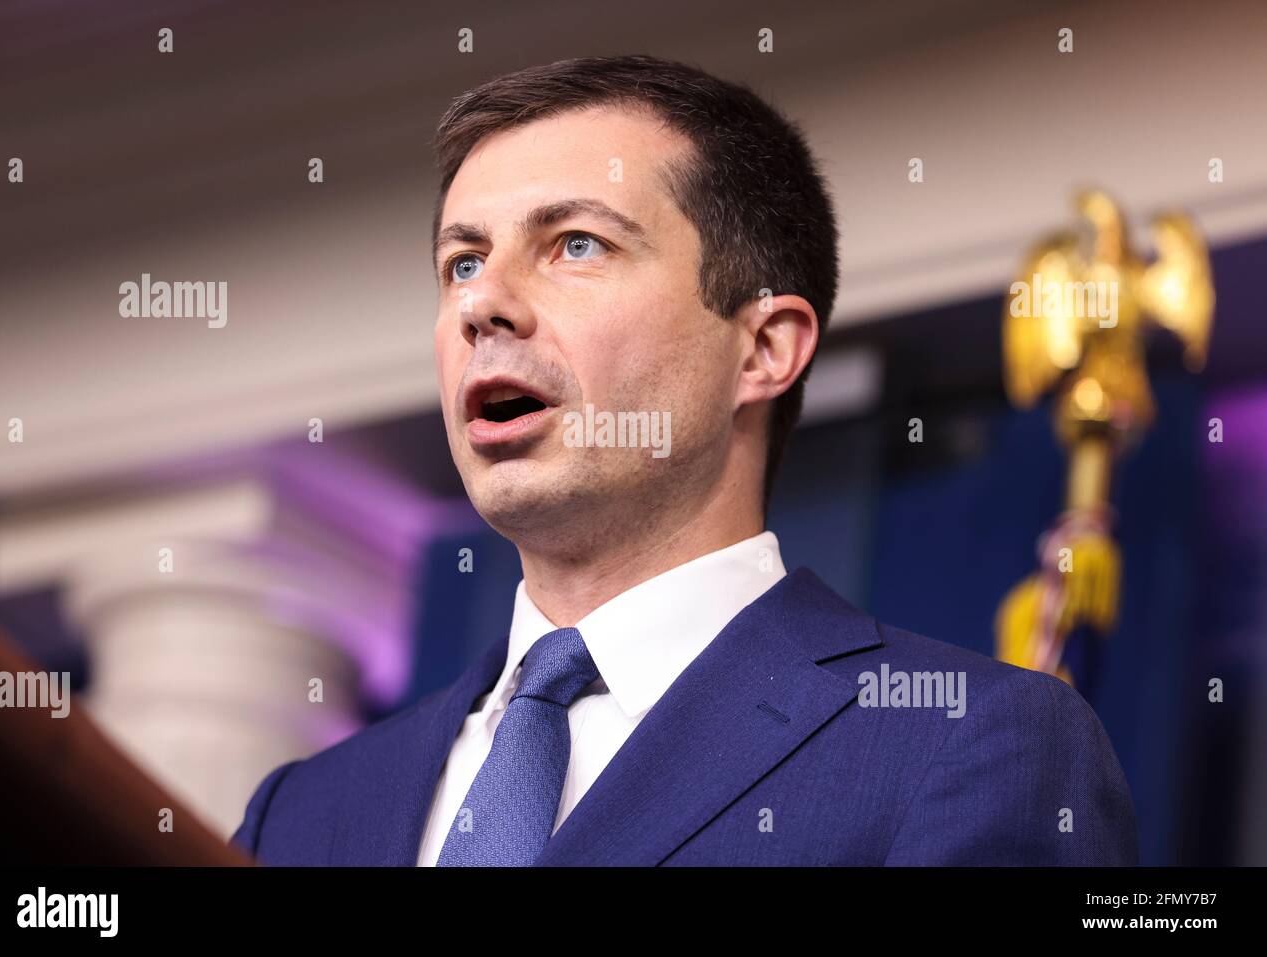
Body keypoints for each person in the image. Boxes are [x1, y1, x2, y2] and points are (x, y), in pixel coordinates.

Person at [231, 54, 1138, 866]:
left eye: (575, 244)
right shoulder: (301, 814)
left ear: (763, 351)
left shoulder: (965, 742)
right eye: (462, 262)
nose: (483, 306)